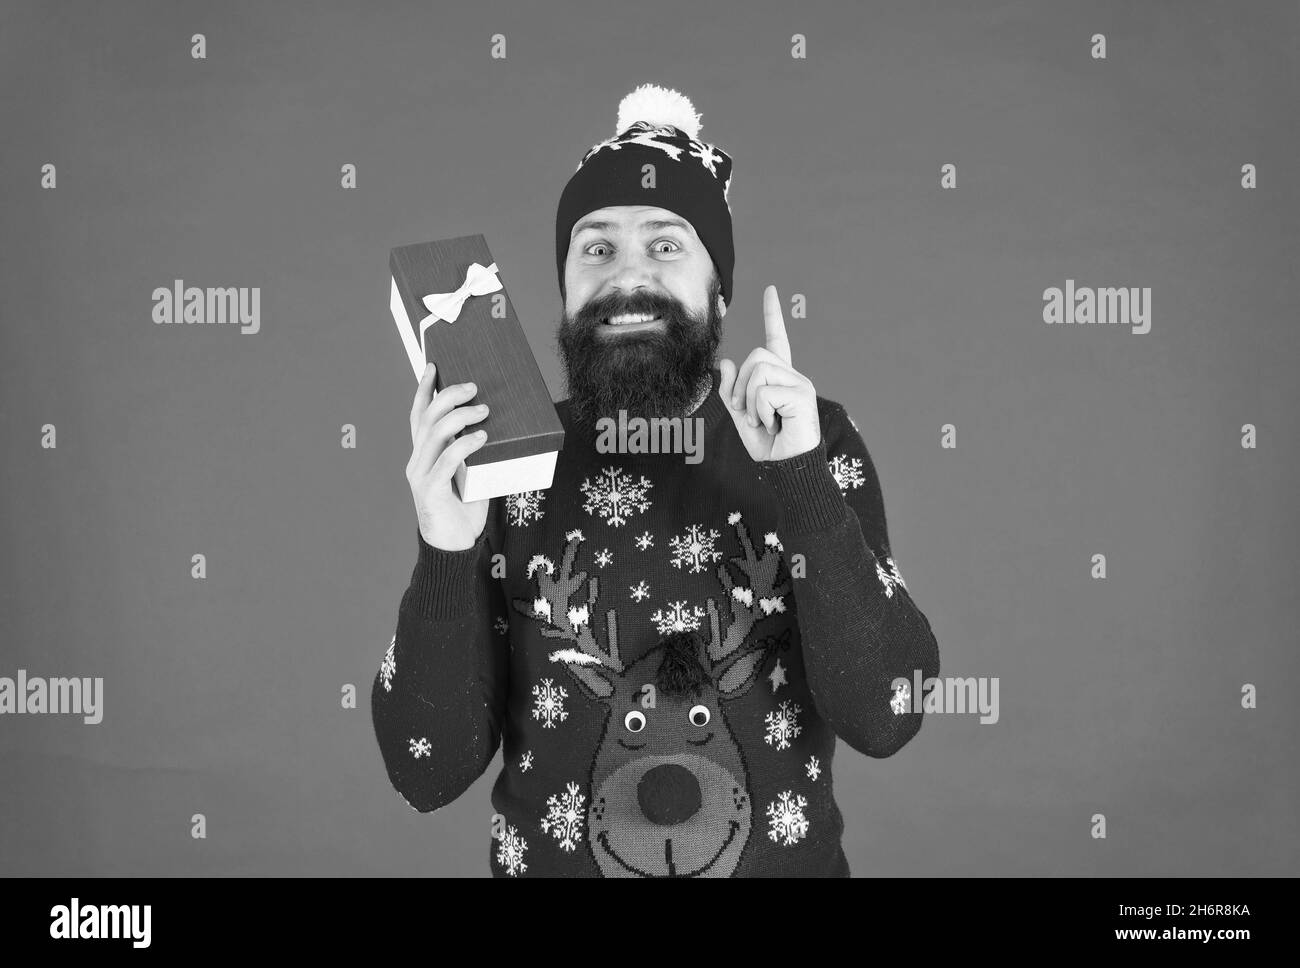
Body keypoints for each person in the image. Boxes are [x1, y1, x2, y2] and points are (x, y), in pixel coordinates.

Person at [372, 83, 940, 877]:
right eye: (595, 247)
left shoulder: (810, 440)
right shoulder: (502, 462)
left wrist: (804, 483)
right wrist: (443, 549)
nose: (626, 276)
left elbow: (890, 712)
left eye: (666, 245)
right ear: (565, 286)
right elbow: (424, 772)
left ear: (719, 287)